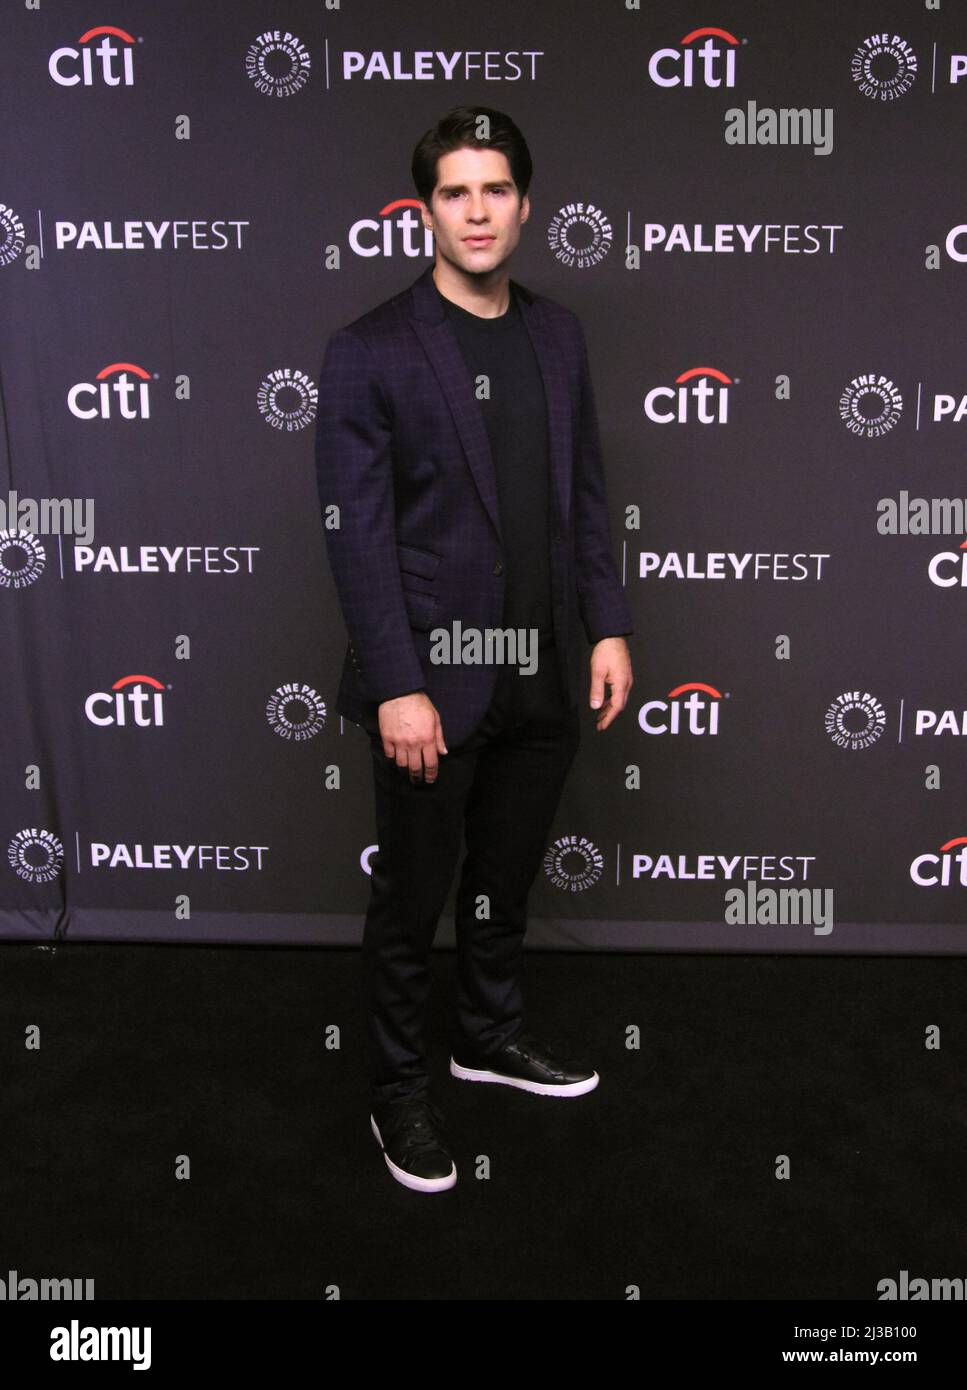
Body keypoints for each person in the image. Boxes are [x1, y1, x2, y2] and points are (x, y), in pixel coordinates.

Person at [314, 105, 634, 1193]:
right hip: (432, 686)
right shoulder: (367, 349)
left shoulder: (557, 333)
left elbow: (585, 496)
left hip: (542, 672)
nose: (478, 209)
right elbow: (355, 538)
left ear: (525, 202)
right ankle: (397, 1089)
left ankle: (486, 1036)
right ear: (425, 211)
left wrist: (610, 626)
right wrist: (398, 686)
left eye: (496, 188)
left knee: (501, 883)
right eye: (456, 191)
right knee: (412, 899)